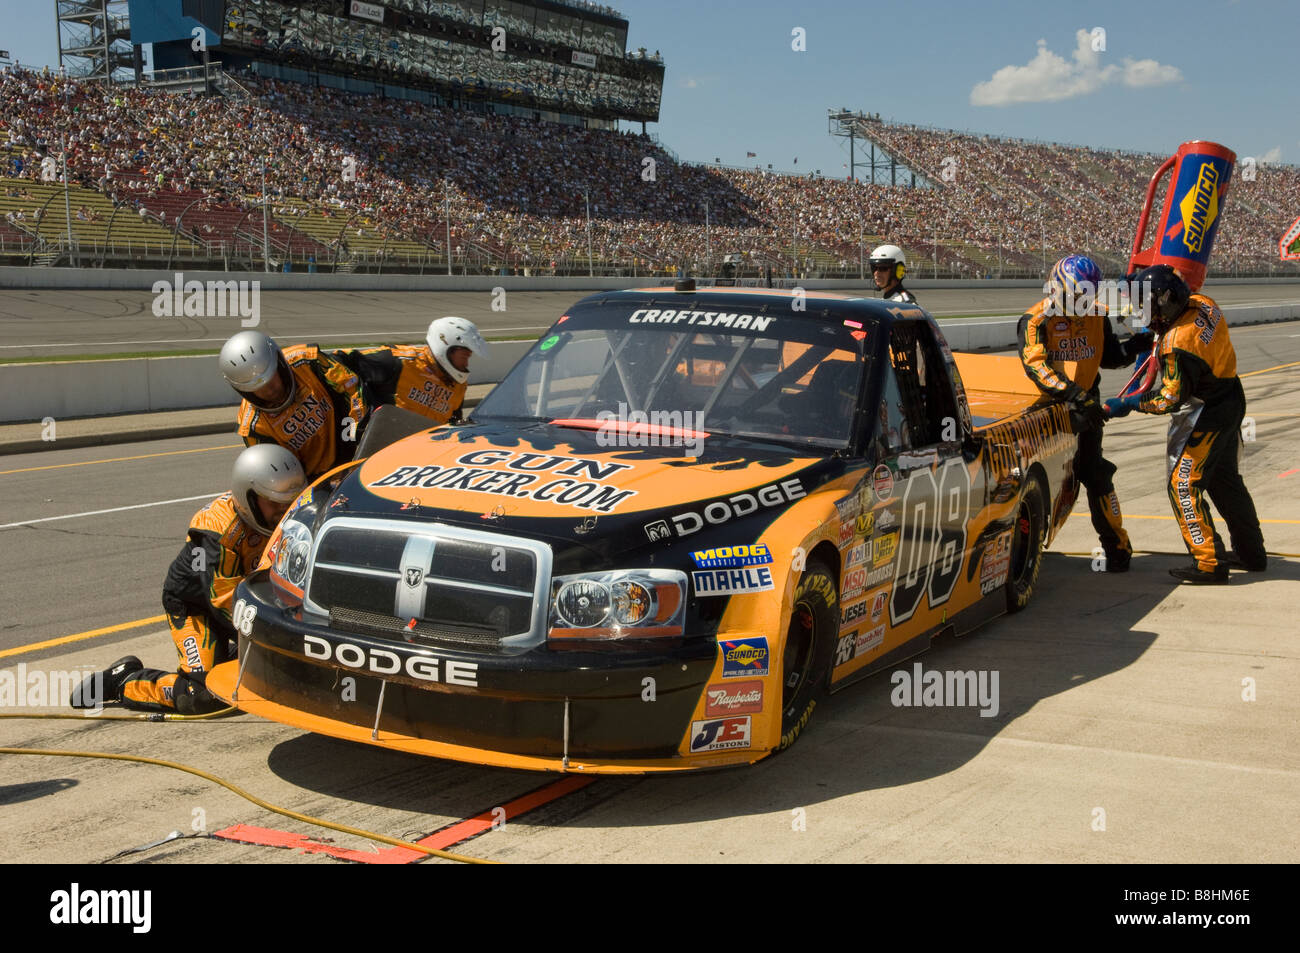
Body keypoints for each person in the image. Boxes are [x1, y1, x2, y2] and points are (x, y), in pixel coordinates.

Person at [70, 445, 306, 712]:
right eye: (273, 502)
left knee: (282, 673)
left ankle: (225, 657)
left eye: (289, 502)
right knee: (202, 695)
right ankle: (124, 681)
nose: (282, 510)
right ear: (248, 496)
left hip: (244, 601)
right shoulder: (216, 531)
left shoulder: (295, 519)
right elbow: (224, 603)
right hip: (195, 607)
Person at [1103, 265, 1266, 584]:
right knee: (1226, 481)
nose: (1142, 311)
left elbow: (1169, 398)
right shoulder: (1205, 303)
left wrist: (1130, 403)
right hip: (1231, 394)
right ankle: (1251, 553)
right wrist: (1138, 288)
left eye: (1147, 304)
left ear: (1166, 301)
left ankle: (1209, 563)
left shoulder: (1176, 346)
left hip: (1209, 414)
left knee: (1182, 484)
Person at [1019, 255, 1151, 572]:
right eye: (1077, 295)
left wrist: (1138, 343)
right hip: (1049, 411)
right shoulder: (1036, 319)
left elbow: (1110, 357)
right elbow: (1036, 367)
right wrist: (1072, 395)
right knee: (1041, 479)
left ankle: (1118, 548)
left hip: (1087, 405)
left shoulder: (1097, 314)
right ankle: (1027, 548)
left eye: (1087, 295)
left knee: (1096, 473)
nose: (1082, 301)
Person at [219, 330, 370, 479]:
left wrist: (356, 439)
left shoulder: (308, 359)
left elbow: (351, 387)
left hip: (352, 441)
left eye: (271, 378)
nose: (269, 390)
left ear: (280, 365)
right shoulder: (253, 428)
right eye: (258, 389)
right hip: (317, 481)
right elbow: (276, 473)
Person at [334, 316, 489, 425]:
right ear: (446, 347)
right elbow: (342, 360)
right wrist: (358, 404)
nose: (465, 364)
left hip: (417, 458)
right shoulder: (399, 362)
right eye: (464, 356)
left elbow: (453, 423)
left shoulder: (459, 387)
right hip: (377, 449)